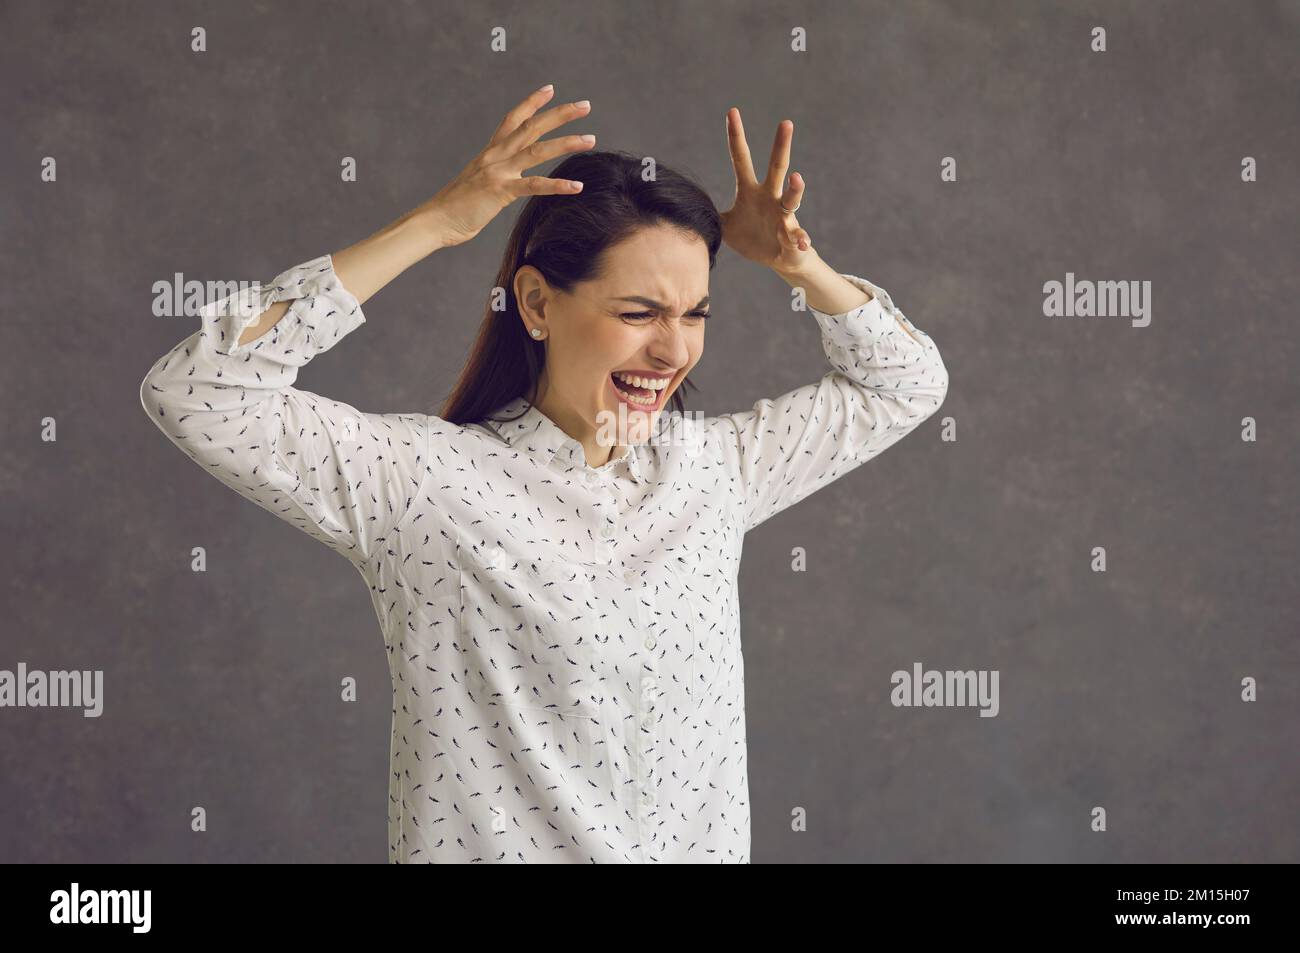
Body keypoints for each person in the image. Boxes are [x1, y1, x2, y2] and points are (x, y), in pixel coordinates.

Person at [139, 85, 949, 863]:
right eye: (638, 313)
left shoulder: (713, 471)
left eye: (694, 314)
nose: (673, 351)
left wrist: (801, 270)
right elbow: (198, 392)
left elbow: (905, 382)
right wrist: (433, 224)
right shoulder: (424, 484)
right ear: (535, 303)